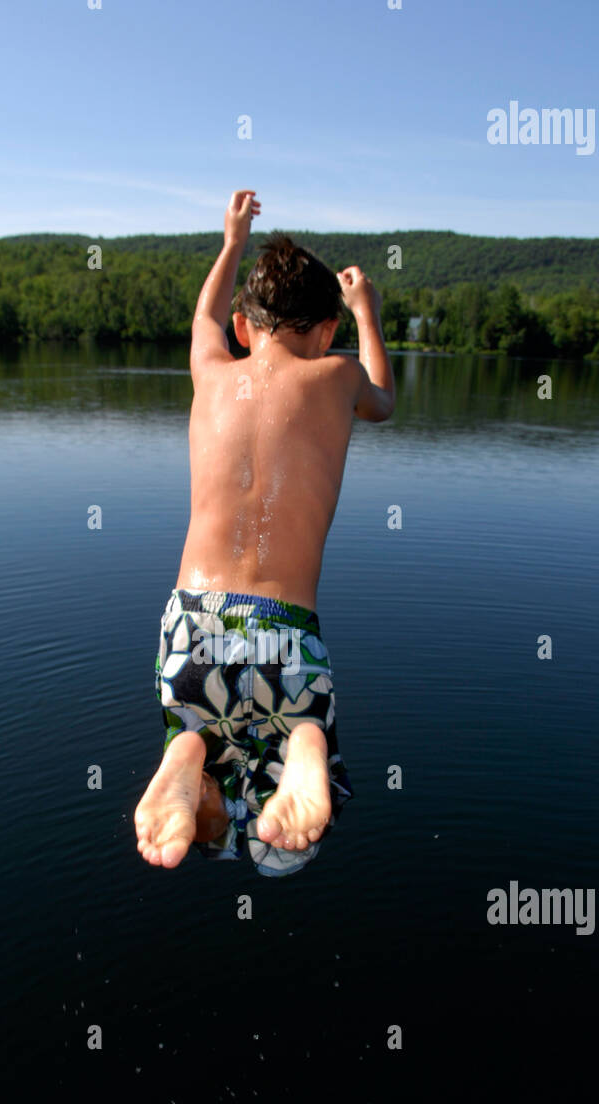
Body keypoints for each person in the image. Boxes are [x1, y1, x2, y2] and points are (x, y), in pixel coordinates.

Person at [135, 190, 395, 876]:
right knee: (292, 834)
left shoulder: (210, 371)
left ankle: (188, 751)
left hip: (191, 621)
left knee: (206, 755)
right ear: (328, 333)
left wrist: (230, 242)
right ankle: (304, 739)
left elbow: (201, 316)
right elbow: (384, 400)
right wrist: (367, 308)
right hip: (284, 625)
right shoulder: (339, 376)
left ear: (243, 329)